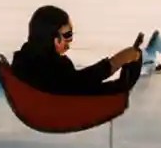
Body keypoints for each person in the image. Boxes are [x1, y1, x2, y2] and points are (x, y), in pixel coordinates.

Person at [10, 5, 143, 95]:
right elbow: (79, 83)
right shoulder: (51, 66)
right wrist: (116, 61)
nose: (70, 41)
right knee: (119, 88)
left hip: (53, 103)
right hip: (64, 107)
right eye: (67, 35)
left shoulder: (23, 61)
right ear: (53, 38)